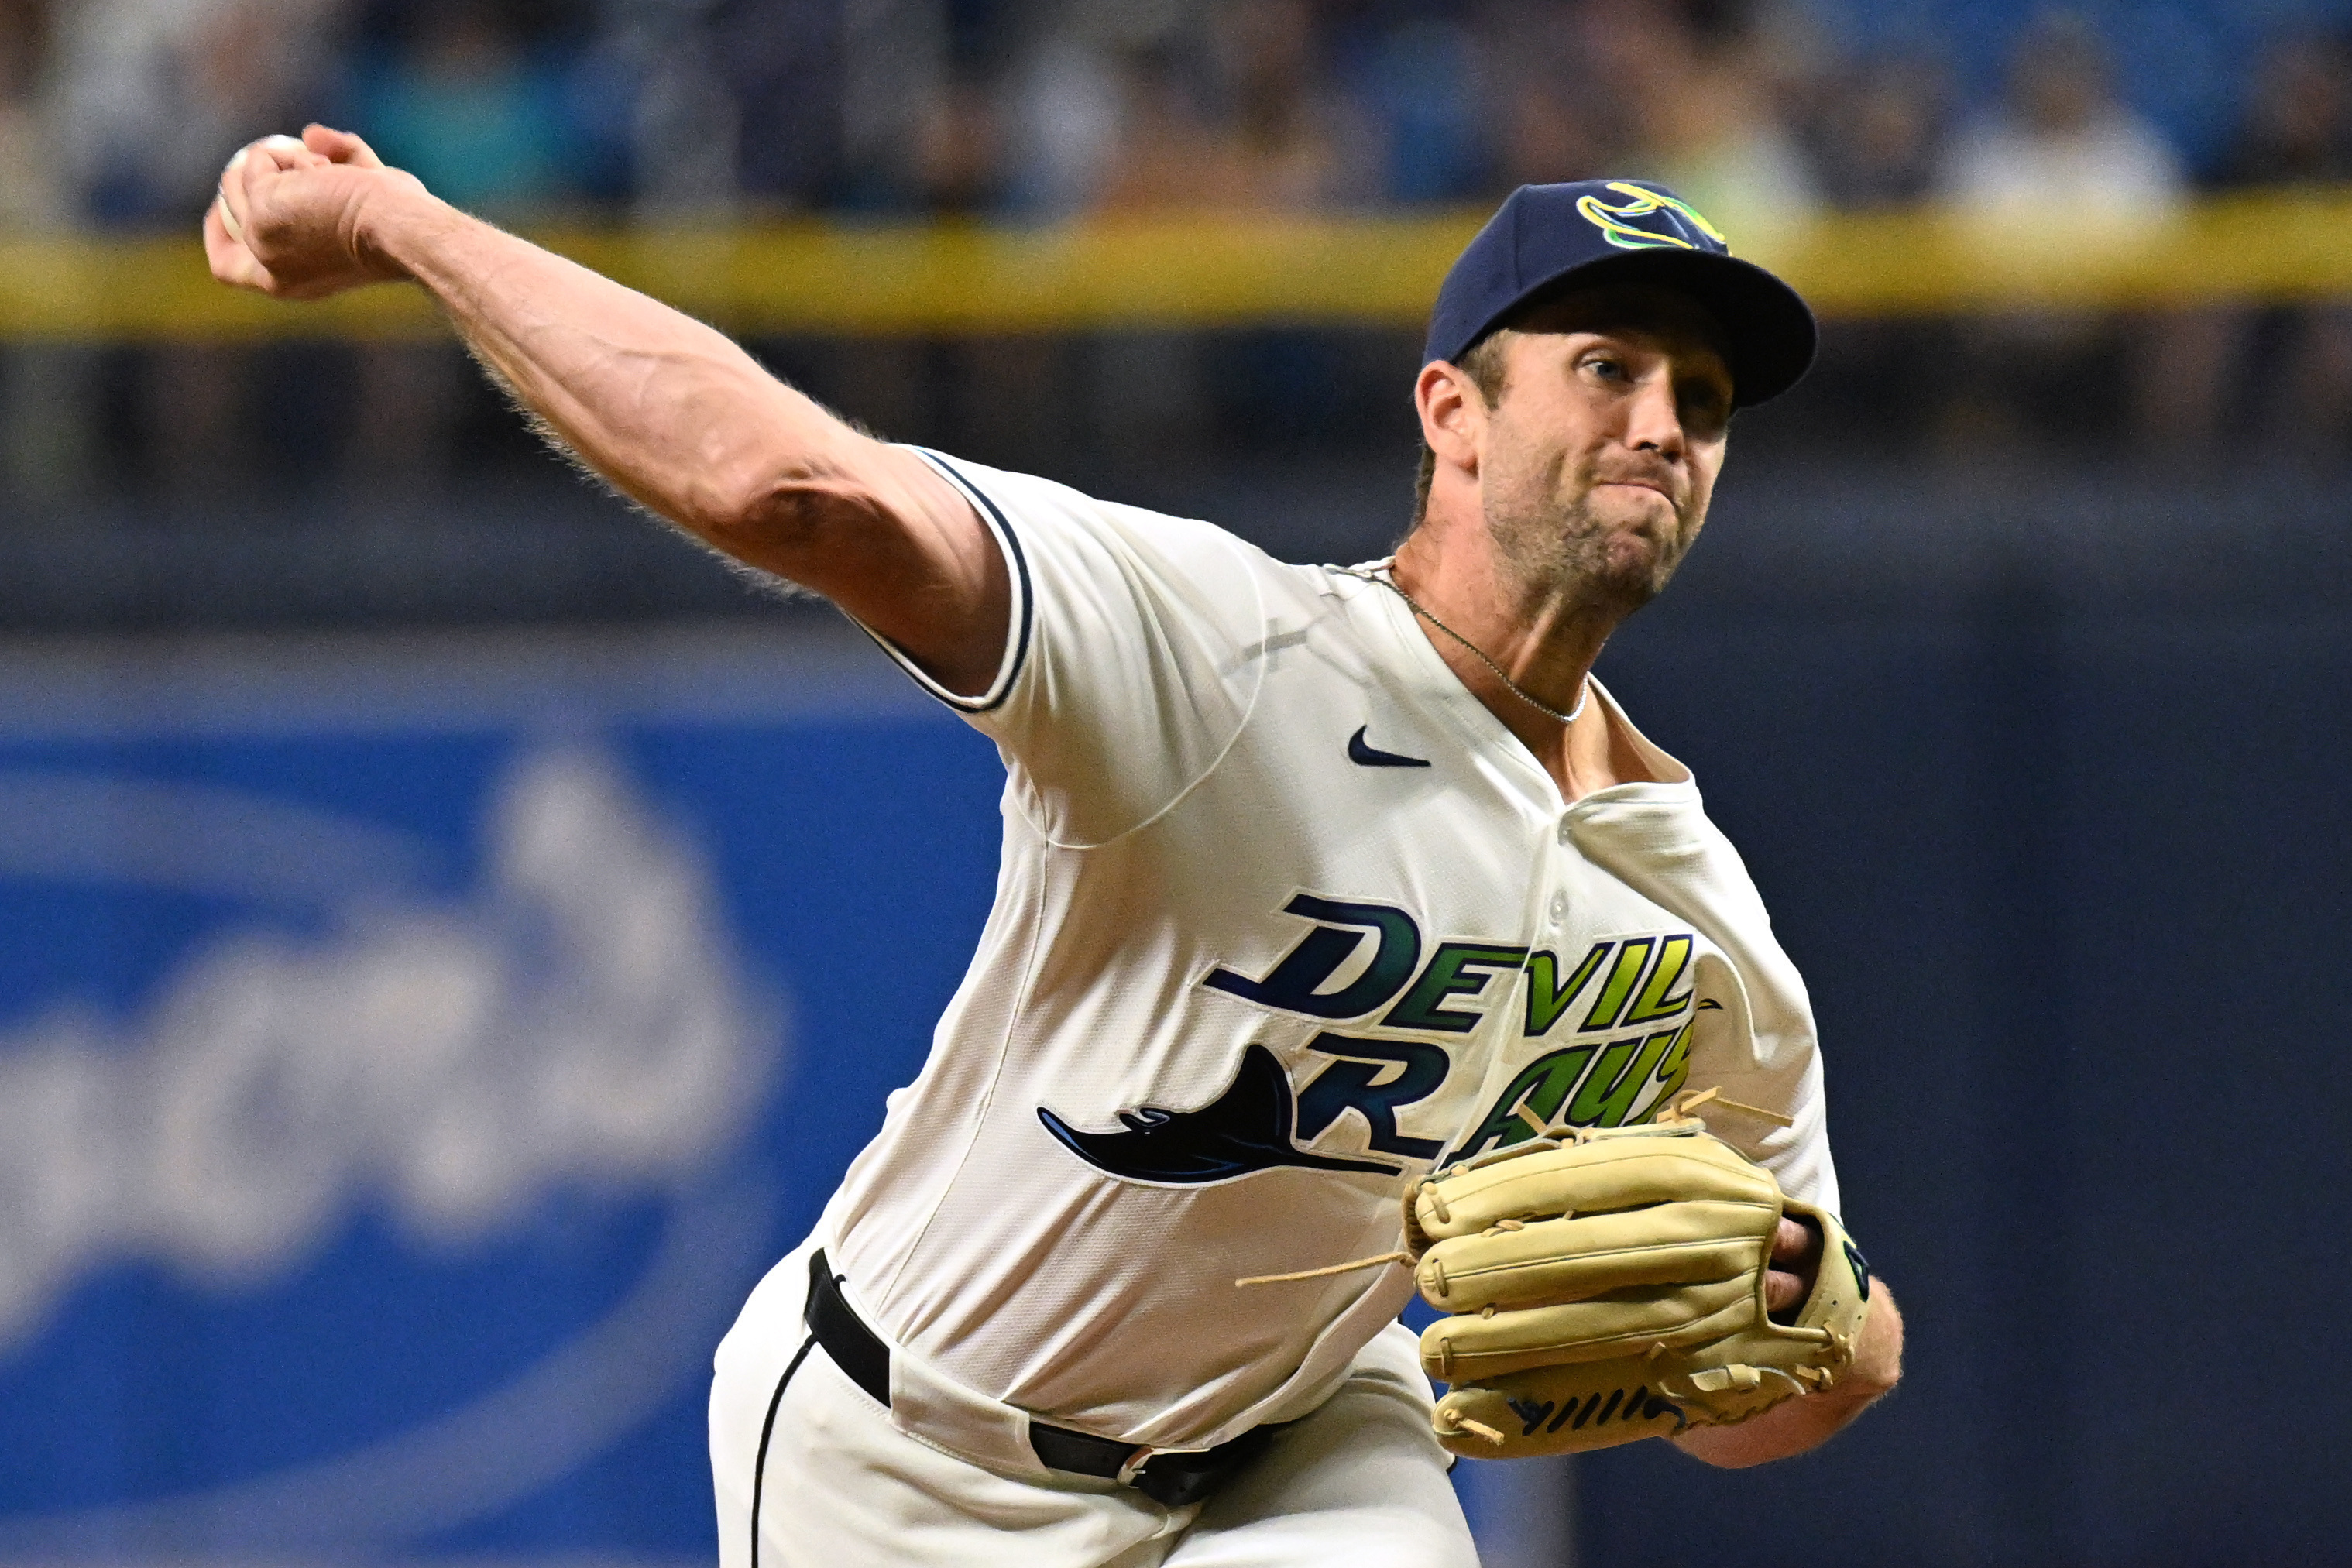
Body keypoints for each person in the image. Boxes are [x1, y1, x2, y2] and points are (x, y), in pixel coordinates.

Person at [207, 137, 1906, 1564]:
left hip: (1287, 1445)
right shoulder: (1223, 658)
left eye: (1700, 394)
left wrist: (1814, 1310)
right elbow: (792, 493)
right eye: (1608, 366)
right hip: (902, 1448)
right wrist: (398, 225)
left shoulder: (1687, 914)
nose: (1664, 422)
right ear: (1451, 412)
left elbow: (1777, 1400)